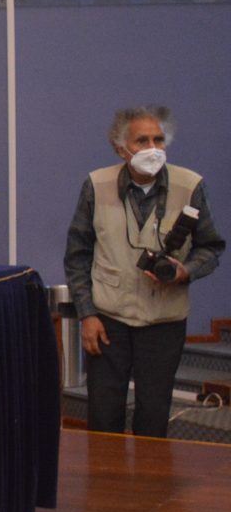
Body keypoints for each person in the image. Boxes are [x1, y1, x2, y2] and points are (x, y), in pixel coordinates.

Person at [63, 107, 223, 438]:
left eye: (159, 139)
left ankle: (150, 490)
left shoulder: (190, 185)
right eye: (143, 140)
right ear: (121, 149)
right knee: (103, 417)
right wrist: (87, 314)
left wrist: (186, 271)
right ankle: (106, 488)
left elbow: (211, 247)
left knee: (153, 417)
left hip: (164, 321)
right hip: (108, 320)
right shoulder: (96, 185)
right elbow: (77, 256)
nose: (153, 148)